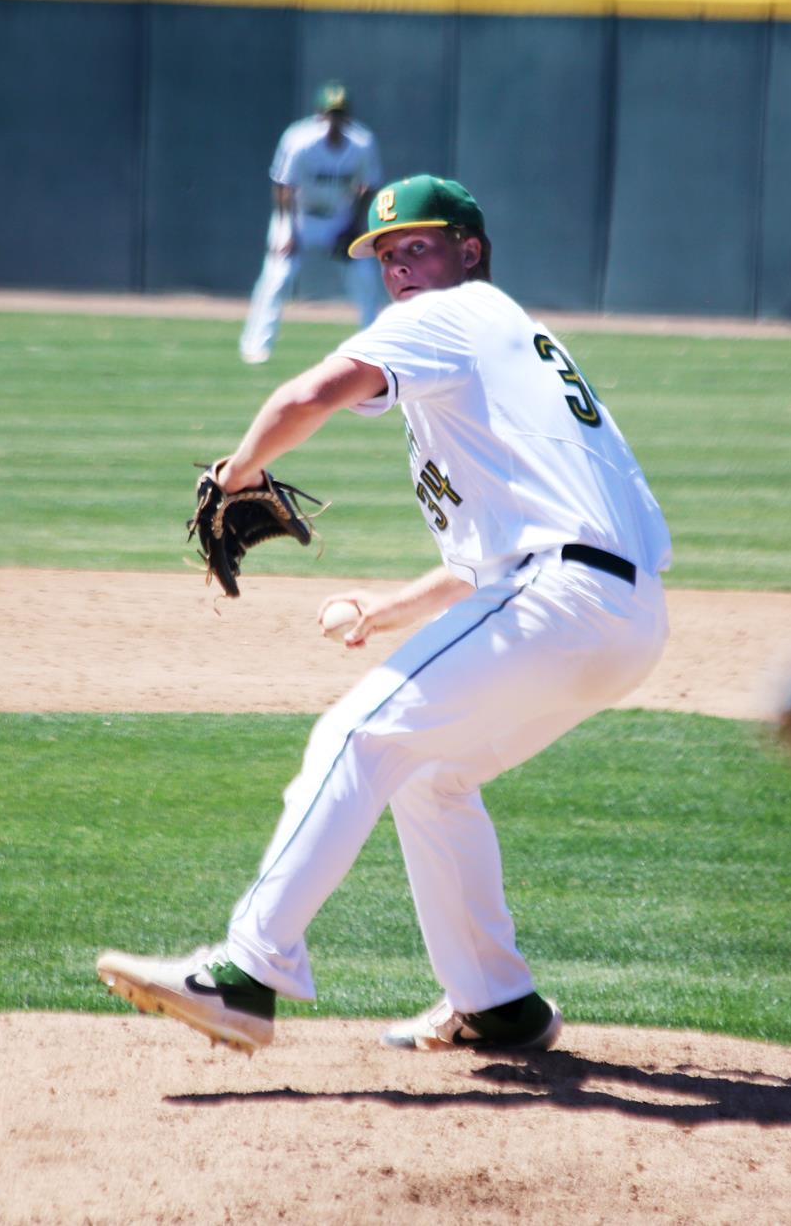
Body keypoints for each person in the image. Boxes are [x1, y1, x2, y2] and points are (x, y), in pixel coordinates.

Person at [99, 174, 672, 1055]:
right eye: (385, 254)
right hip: (615, 615)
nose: (400, 268)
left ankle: (248, 973)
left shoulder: (451, 314)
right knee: (426, 771)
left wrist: (241, 467)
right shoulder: (498, 347)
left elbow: (311, 393)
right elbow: (483, 562)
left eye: (418, 246)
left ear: (467, 251)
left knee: (354, 733)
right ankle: (497, 1002)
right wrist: (385, 610)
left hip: (564, 598)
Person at [237, 81, 385, 366]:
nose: (335, 120)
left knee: (365, 278)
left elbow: (369, 186)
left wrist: (354, 226)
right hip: (298, 215)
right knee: (278, 276)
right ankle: (256, 345)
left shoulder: (362, 143)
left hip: (339, 216)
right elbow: (283, 187)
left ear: (348, 116)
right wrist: (287, 231)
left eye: (340, 114)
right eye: (330, 114)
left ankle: (374, 348)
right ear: (320, 114)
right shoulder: (299, 140)